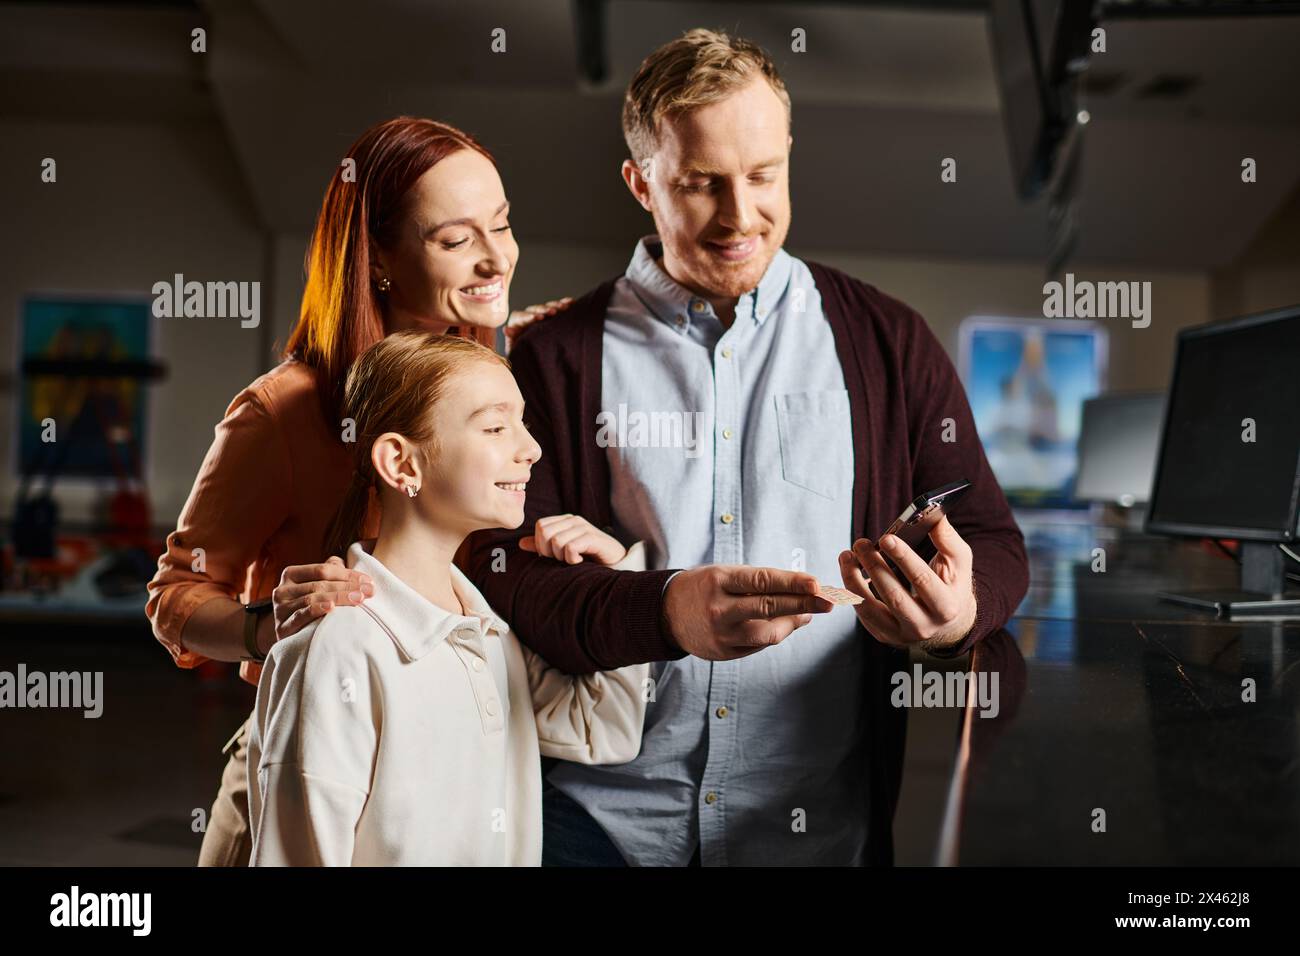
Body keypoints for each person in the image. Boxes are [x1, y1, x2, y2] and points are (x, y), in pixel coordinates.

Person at [466, 28, 1030, 866]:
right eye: (700, 185)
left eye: (764, 176)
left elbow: (990, 539)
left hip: (816, 831)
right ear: (640, 182)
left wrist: (958, 617)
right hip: (594, 826)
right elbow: (497, 572)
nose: (739, 216)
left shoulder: (888, 340)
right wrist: (663, 613)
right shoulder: (549, 358)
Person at [145, 116, 564, 866]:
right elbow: (174, 597)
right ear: (379, 258)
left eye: (501, 225)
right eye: (455, 239)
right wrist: (262, 627)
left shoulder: (499, 368)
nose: (496, 258)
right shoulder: (282, 409)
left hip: (441, 754)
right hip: (308, 762)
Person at [247, 332, 649, 865]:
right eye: (495, 427)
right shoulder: (338, 647)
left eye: (523, 424)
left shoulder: (487, 633)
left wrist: (616, 579)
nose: (531, 449)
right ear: (402, 463)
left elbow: (603, 732)